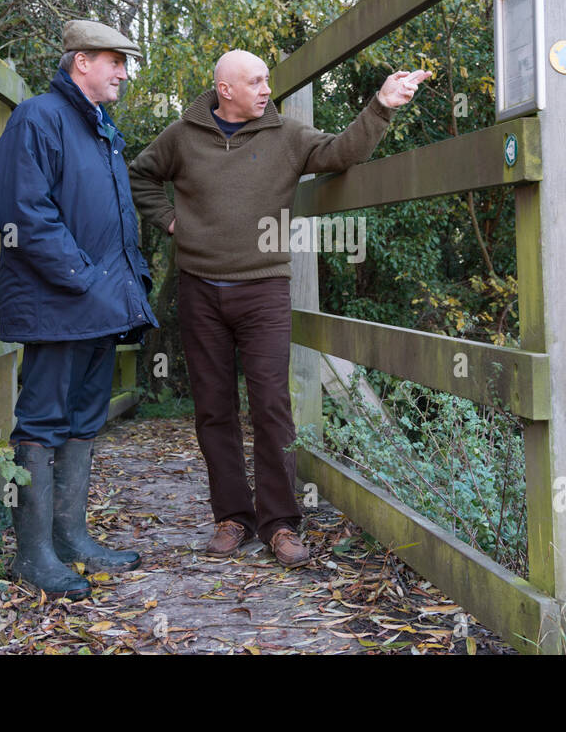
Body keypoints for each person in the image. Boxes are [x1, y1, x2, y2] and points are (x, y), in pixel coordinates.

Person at [128, 50, 429, 566]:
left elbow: (340, 153)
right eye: (256, 81)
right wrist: (172, 222)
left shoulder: (286, 135)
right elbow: (139, 175)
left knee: (271, 406)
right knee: (213, 408)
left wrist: (382, 105)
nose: (267, 89)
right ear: (225, 90)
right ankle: (232, 517)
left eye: (268, 79)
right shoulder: (182, 136)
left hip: (263, 287)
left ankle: (281, 524)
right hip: (199, 287)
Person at [0, 20, 158, 599]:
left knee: (85, 418)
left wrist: (125, 285)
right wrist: (83, 279)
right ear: (81, 61)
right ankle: (32, 554)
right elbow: (22, 213)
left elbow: (115, 222)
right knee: (40, 423)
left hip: (101, 304)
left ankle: (73, 539)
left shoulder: (102, 130)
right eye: (115, 61)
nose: (124, 73)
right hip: (57, 303)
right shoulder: (38, 117)